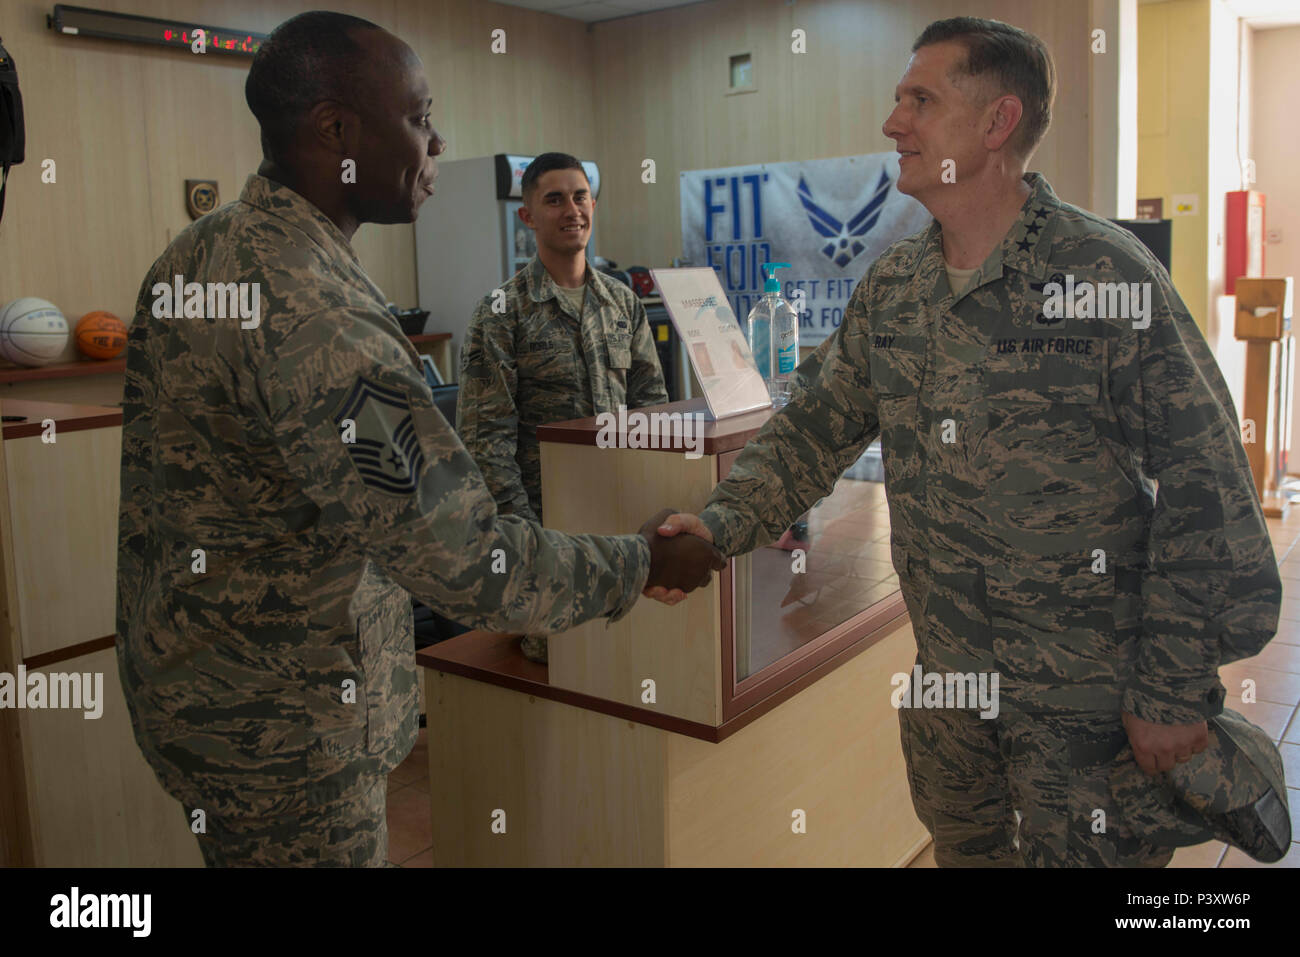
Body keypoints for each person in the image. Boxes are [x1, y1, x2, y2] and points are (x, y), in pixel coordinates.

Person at [649, 16, 1281, 867]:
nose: (892, 122)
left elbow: (1207, 486)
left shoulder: (1107, 277)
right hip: (953, 696)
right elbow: (811, 430)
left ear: (996, 123)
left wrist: (1171, 685)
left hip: (1087, 711)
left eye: (920, 99)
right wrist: (720, 527)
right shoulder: (896, 290)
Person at [115, 11, 723, 868]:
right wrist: (644, 563)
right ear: (337, 130)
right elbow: (468, 560)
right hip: (289, 731)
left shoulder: (193, 257)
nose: (435, 142)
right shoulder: (319, 309)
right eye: (418, 116)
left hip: (196, 692)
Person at [457, 152, 669, 662]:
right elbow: (487, 446)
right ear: (527, 216)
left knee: (631, 658)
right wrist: (529, 546)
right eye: (554, 199)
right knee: (566, 665)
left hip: (622, 521)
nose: (571, 209)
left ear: (593, 204)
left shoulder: (623, 303)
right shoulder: (501, 312)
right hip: (548, 535)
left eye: (579, 196)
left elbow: (653, 409)